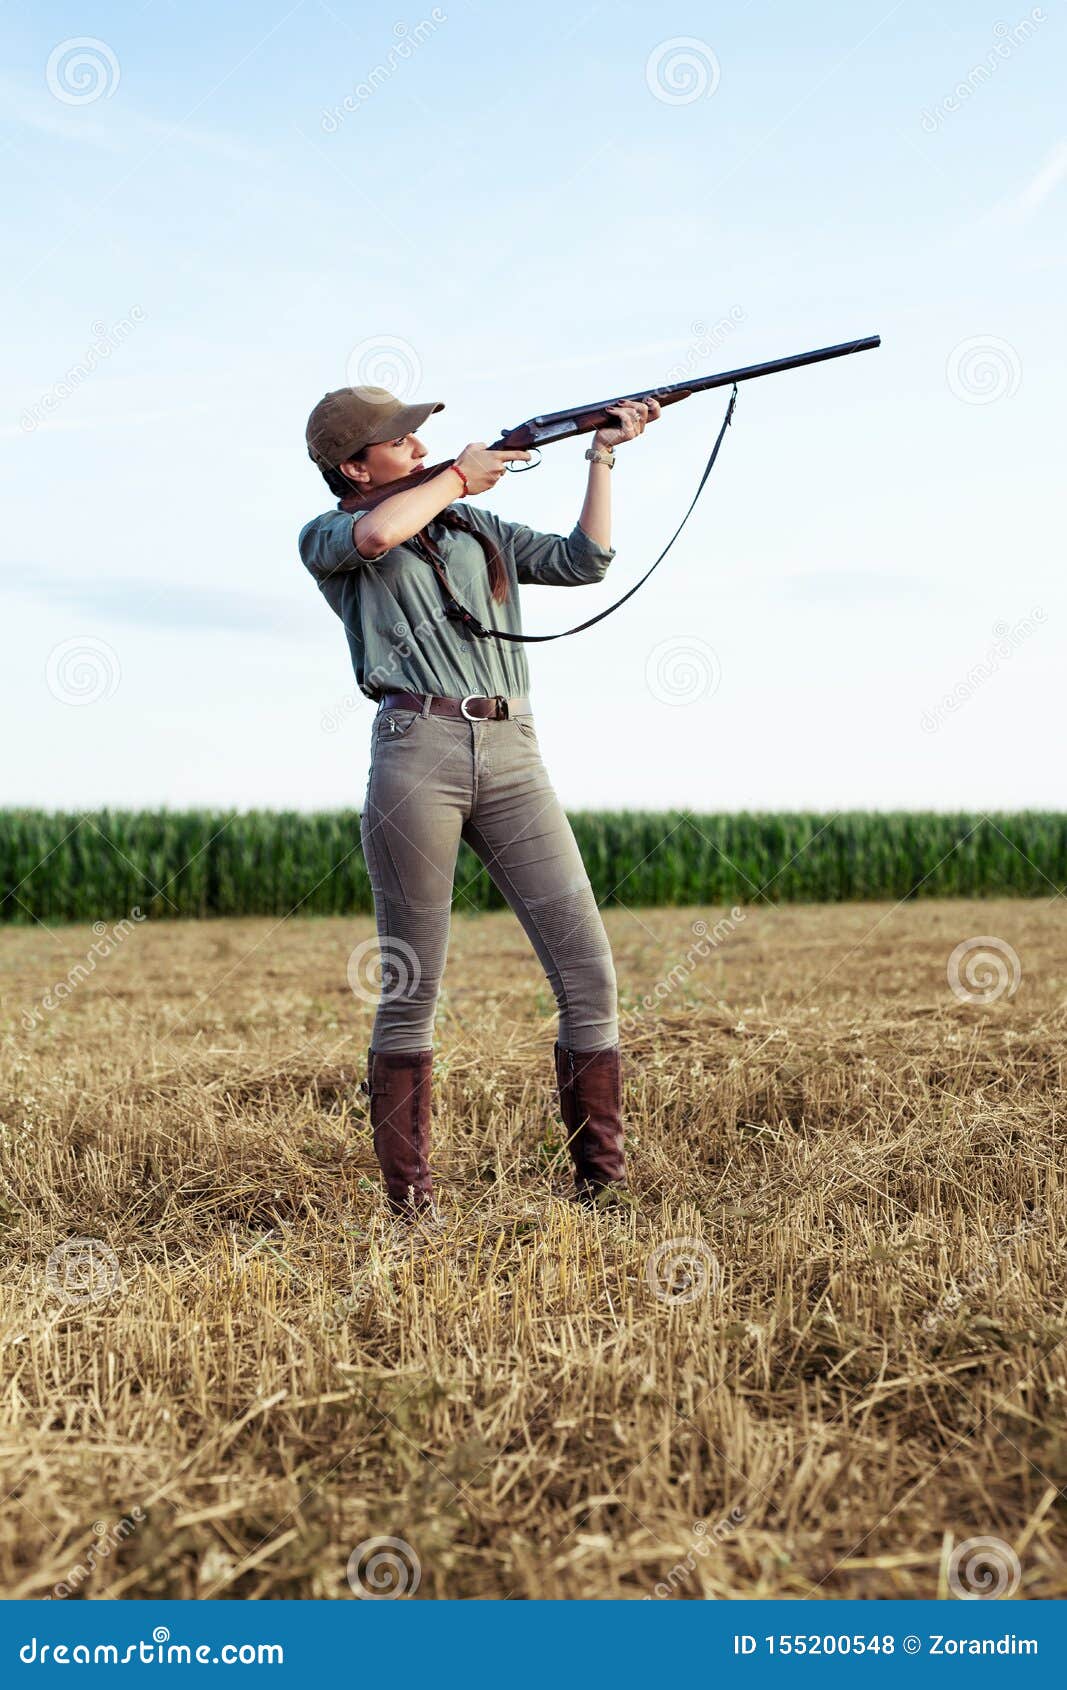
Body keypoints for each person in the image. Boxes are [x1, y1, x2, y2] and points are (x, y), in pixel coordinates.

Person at [299, 377, 661, 1224]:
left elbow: (584, 562)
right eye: (399, 441)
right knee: (412, 980)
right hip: (413, 749)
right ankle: (411, 1208)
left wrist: (600, 455)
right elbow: (383, 530)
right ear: (354, 468)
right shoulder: (329, 533)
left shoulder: (474, 523)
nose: (419, 445)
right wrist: (461, 475)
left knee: (588, 971)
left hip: (513, 750)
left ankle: (601, 1191)